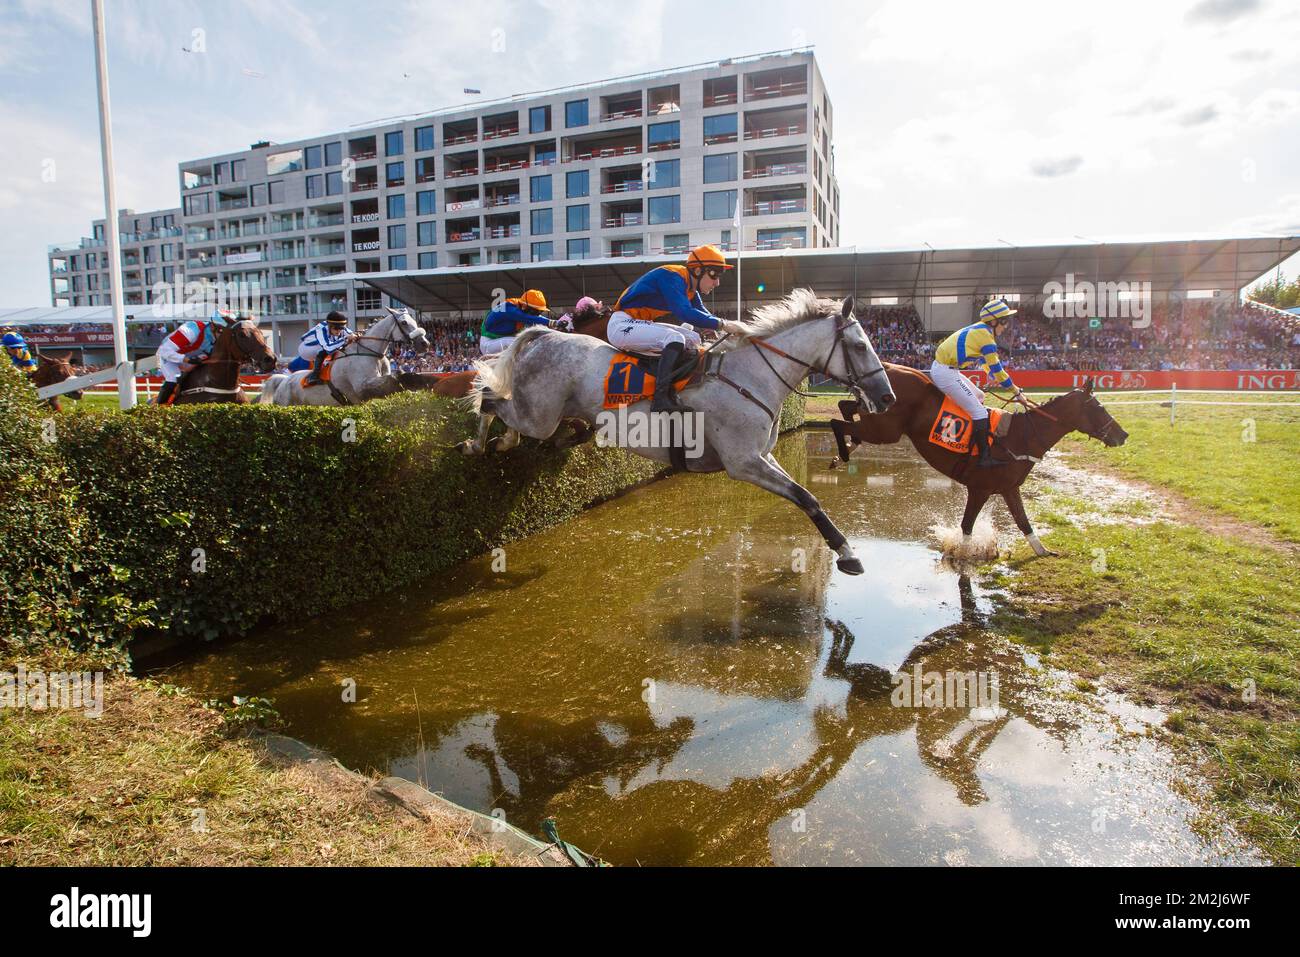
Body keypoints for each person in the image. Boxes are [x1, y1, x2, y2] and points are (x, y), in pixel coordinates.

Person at [610, 244, 747, 411]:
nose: (717, 283)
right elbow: (685, 313)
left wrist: (721, 329)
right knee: (675, 338)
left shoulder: (691, 289)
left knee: (693, 338)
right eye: (714, 275)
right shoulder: (673, 276)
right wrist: (724, 324)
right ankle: (661, 399)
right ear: (698, 271)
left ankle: (676, 390)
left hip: (639, 323)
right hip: (621, 324)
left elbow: (705, 316)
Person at [931, 298, 1026, 467]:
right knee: (980, 413)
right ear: (994, 321)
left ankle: (972, 438)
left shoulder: (982, 331)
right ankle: (984, 458)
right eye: (1004, 321)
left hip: (948, 370)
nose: (1005, 326)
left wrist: (994, 377)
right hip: (945, 372)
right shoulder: (986, 337)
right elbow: (997, 368)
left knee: (980, 396)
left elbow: (985, 363)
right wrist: (1016, 392)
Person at [154, 307, 237, 405]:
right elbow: (165, 351)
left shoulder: (218, 337)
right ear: (213, 327)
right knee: (173, 379)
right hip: (168, 357)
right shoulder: (191, 329)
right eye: (222, 332)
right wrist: (187, 360)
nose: (224, 337)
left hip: (192, 360)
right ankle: (159, 407)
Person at [478, 289, 553, 356]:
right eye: (536, 312)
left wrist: (556, 322)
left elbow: (536, 317)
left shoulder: (521, 308)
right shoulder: (509, 310)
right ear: (525, 306)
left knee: (521, 340)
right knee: (519, 342)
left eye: (540, 312)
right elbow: (529, 318)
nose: (537, 314)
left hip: (501, 340)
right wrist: (552, 322)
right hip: (488, 344)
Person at [298, 310, 355, 385]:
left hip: (320, 347)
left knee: (341, 344)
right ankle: (314, 376)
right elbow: (328, 348)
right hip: (306, 349)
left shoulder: (340, 328)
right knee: (327, 348)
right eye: (336, 328)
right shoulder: (320, 328)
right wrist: (346, 339)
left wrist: (356, 336)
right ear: (329, 325)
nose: (339, 331)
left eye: (341, 328)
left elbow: (351, 334)